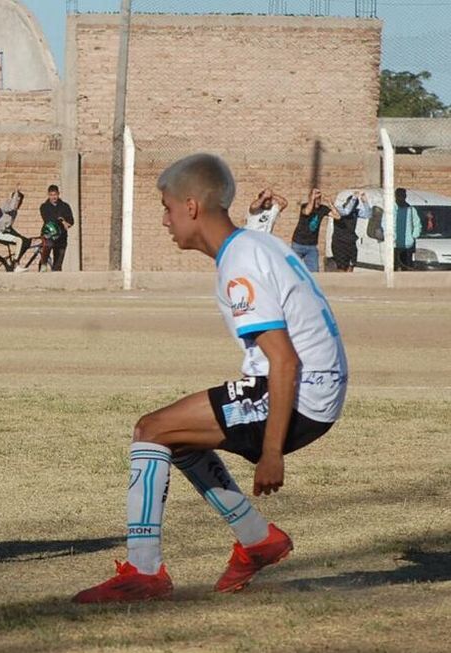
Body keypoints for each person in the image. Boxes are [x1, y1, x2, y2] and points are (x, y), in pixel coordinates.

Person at [73, 153, 347, 604]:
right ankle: (258, 540)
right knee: (178, 439)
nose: (164, 221)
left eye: (166, 208)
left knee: (151, 430)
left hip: (298, 395)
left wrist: (272, 453)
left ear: (192, 207)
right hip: (316, 390)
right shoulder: (256, 246)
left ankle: (144, 572)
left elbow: (285, 362)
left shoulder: (240, 262)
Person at [290, 188, 336, 272]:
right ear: (310, 197)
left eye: (319, 197)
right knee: (294, 270)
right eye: (315, 197)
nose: (317, 199)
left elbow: (337, 216)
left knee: (314, 272)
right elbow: (307, 212)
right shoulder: (305, 206)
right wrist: (312, 198)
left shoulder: (323, 208)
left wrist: (330, 203)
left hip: (312, 246)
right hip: (298, 244)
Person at [331, 191, 370, 272]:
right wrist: (354, 198)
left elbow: (368, 215)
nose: (354, 207)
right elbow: (346, 212)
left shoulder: (355, 212)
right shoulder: (339, 209)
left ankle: (348, 281)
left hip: (351, 242)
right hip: (340, 242)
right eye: (353, 204)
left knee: (351, 265)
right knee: (341, 267)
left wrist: (365, 201)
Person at [39, 185, 74, 271]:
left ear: (58, 194)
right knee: (47, 246)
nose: (53, 197)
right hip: (49, 235)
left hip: (61, 237)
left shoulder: (65, 206)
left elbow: (71, 220)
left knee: (58, 265)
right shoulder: (44, 206)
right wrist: (62, 220)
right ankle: (43, 263)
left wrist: (67, 223)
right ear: (48, 195)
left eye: (55, 195)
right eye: (51, 195)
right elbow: (48, 219)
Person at [0, 189, 32, 263]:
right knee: (19, 241)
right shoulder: (6, 206)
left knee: (25, 242)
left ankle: (16, 259)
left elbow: (9, 227)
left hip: (5, 231)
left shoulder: (15, 212)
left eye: (20, 201)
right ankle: (16, 263)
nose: (18, 203)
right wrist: (16, 194)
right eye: (16, 200)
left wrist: (21, 237)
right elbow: (12, 206)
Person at [393, 188, 422, 271]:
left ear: (405, 196)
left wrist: (413, 236)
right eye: (399, 196)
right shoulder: (391, 209)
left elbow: (417, 224)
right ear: (395, 196)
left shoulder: (411, 210)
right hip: (394, 245)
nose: (400, 198)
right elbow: (385, 223)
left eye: (402, 196)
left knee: (406, 268)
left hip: (407, 245)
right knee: (394, 268)